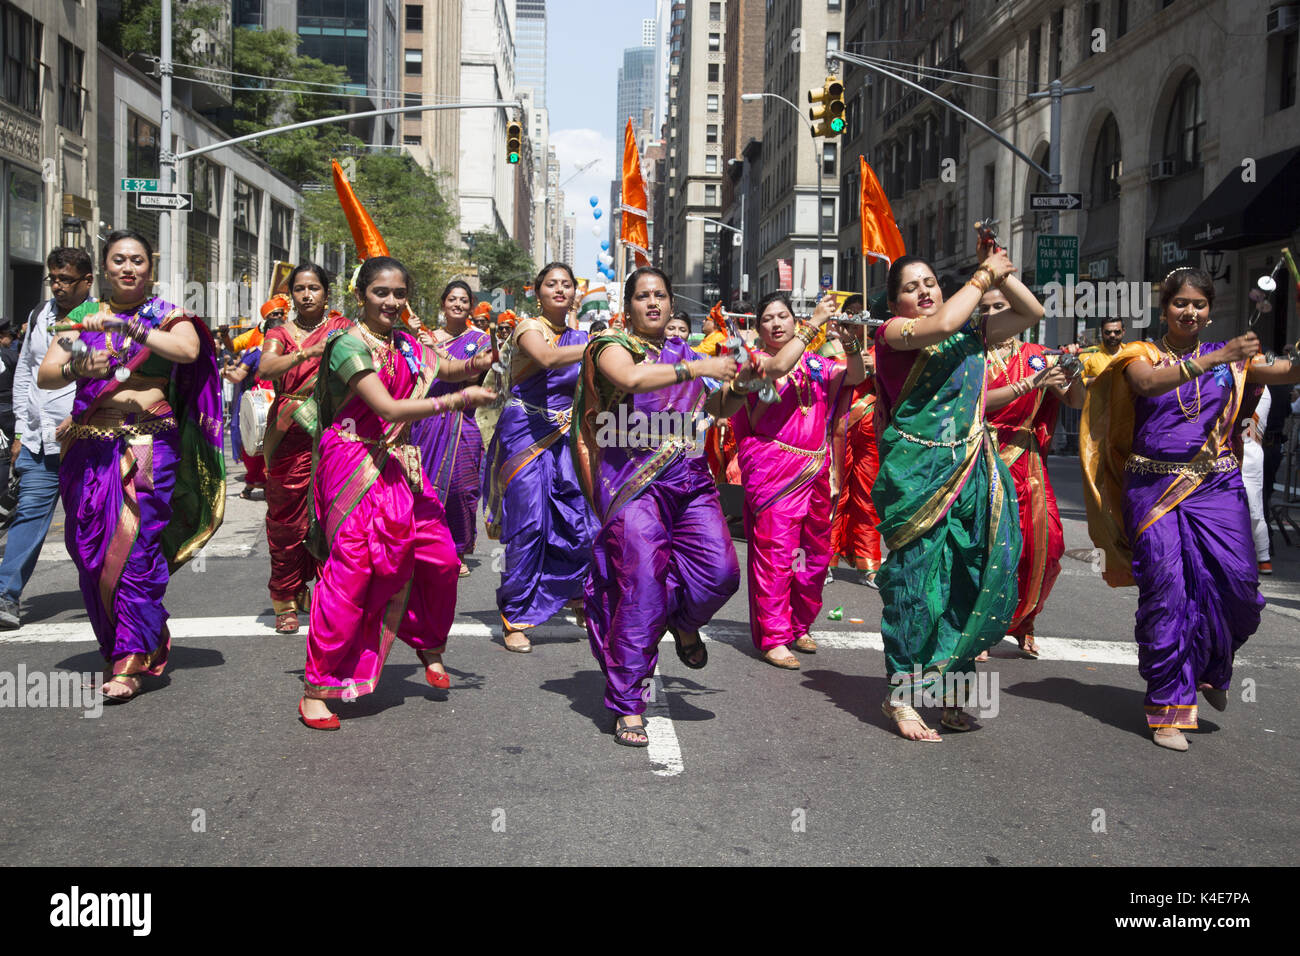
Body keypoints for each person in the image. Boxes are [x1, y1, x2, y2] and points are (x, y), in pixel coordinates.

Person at [1081, 266, 1300, 752]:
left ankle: (1208, 665)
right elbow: (1149, 385)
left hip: (1217, 486)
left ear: (1210, 310)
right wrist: (1221, 355)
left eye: (1200, 305)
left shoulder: (1233, 361)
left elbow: (1289, 372)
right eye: (1181, 303)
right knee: (1168, 592)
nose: (1191, 312)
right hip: (1152, 488)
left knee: (1238, 588)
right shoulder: (1140, 355)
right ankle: (1168, 709)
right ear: (1164, 309)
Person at [297, 256, 496, 730]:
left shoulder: (407, 344)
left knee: (440, 558)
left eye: (399, 294)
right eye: (380, 293)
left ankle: (426, 640)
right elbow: (385, 405)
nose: (390, 302)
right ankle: (316, 688)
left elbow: (448, 367)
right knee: (352, 573)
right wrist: (458, 399)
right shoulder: (348, 343)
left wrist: (480, 363)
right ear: (360, 294)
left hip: (401, 464)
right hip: (353, 461)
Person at [36, 230, 224, 702]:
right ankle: (124, 639)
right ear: (104, 267)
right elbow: (46, 374)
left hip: (146, 445)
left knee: (136, 549)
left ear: (150, 267)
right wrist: (83, 368)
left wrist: (130, 330)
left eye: (137, 260)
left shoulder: (166, 315)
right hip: (88, 446)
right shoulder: (82, 316)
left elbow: (189, 351)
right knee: (89, 550)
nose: (128, 268)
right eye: (119, 259)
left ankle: (130, 659)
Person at [872, 246, 1043, 741]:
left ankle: (950, 692)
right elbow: (942, 327)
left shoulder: (973, 330)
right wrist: (983, 275)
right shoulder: (893, 335)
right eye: (911, 287)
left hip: (972, 467)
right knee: (916, 586)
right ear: (894, 302)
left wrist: (1003, 271)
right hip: (918, 472)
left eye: (930, 282)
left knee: (974, 576)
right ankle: (902, 695)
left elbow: (1033, 312)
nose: (924, 291)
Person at [573, 266, 748, 745]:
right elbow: (630, 379)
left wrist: (742, 385)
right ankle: (629, 703)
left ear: (672, 304)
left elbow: (714, 410)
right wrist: (700, 367)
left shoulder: (685, 354)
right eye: (643, 296)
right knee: (642, 589)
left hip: (689, 479)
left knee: (722, 574)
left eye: (661, 296)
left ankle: (684, 623)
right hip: (633, 485)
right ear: (628, 306)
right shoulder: (611, 345)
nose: (653, 303)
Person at [733, 291, 866, 669]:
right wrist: (813, 327)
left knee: (811, 555)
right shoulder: (755, 362)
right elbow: (776, 373)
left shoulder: (817, 365)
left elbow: (855, 375)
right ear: (758, 330)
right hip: (773, 469)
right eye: (768, 319)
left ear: (793, 320)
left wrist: (850, 339)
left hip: (815, 470)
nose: (777, 323)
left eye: (783, 317)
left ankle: (798, 624)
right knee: (776, 554)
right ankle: (774, 636)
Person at [482, 262, 597, 653]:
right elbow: (547, 360)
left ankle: (574, 591)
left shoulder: (581, 334)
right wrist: (604, 344)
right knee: (528, 523)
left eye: (567, 284)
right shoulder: (529, 329)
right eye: (552, 284)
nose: (560, 290)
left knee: (577, 519)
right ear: (538, 292)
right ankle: (515, 614)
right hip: (525, 432)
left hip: (568, 435)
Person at [977, 286, 1083, 661]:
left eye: (1000, 307)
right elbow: (973, 402)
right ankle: (979, 628)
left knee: (1047, 544)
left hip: (1026, 460)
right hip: (980, 460)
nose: (992, 314)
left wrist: (1073, 370)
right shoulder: (970, 357)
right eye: (985, 309)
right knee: (987, 547)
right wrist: (1028, 385)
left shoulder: (1038, 357)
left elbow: (1075, 400)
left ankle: (1024, 621)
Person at [256, 263, 352, 632]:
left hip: (332, 429)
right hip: (288, 430)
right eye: (299, 288)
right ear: (291, 294)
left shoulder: (342, 329)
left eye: (314, 288)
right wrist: (307, 354)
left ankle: (331, 594)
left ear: (327, 294)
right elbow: (266, 368)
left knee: (332, 517)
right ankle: (285, 597)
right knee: (285, 520)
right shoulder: (280, 331)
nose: (307, 294)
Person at [0, 247, 91, 629]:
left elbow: (109, 378)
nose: (57, 286)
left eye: (66, 279)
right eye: (53, 278)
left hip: (86, 442)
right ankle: (6, 595)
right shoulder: (40, 316)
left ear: (87, 280)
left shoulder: (100, 319)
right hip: (39, 442)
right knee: (28, 517)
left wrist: (80, 415)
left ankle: (111, 594)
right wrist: (21, 429)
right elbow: (26, 373)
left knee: (89, 522)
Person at [410, 280, 492, 576]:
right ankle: (427, 547)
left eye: (463, 300)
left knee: (461, 488)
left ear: (470, 306)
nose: (457, 305)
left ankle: (455, 549)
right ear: (443, 304)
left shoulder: (481, 340)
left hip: (462, 420)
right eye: (452, 299)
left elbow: (472, 381)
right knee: (424, 485)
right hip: (427, 417)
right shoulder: (425, 337)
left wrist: (439, 354)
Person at [829, 318, 882, 588]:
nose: (853, 324)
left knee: (867, 495)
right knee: (835, 492)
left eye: (859, 318)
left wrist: (877, 368)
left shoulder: (881, 352)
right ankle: (826, 559)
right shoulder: (826, 350)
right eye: (847, 318)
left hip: (870, 428)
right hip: (837, 426)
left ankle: (868, 562)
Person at [223, 328, 272, 498]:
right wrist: (226, 373)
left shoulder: (293, 349)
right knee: (254, 443)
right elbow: (237, 375)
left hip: (284, 401)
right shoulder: (255, 353)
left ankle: (272, 485)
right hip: (260, 402)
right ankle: (255, 483)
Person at [1241, 386, 1272, 574]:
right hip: (1226, 450)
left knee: (1253, 507)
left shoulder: (1260, 388)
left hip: (1248, 451)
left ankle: (1263, 556)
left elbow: (1247, 427)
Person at [0, 317, 19, 490]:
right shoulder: (10, 356)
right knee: (3, 456)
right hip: (5, 410)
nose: (11, 339)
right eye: (8, 336)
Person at [1080, 318, 1125, 386]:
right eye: (1108, 332)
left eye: (1117, 332)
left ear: (1123, 332)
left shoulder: (1131, 351)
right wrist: (1094, 381)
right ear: (1101, 332)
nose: (1112, 335)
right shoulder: (1089, 353)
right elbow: (1075, 381)